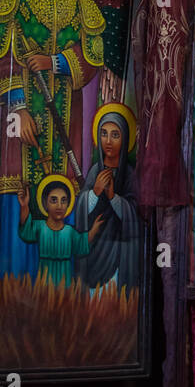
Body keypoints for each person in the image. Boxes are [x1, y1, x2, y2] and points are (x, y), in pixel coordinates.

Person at [0, 0, 105, 277]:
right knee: (20, 188)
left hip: (64, 115)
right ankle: (16, 282)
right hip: (22, 116)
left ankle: (57, 293)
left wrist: (55, 62)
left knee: (59, 192)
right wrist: (18, 108)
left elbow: (93, 58)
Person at [74, 105, 142, 291]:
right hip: (95, 251)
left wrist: (113, 197)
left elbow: (136, 213)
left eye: (115, 135)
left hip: (119, 252)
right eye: (104, 133)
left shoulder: (129, 175)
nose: (108, 141)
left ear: (125, 139)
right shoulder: (95, 172)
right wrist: (94, 193)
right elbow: (81, 209)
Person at [17, 176, 104, 287]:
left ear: (68, 204)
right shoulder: (40, 227)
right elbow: (26, 232)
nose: (59, 206)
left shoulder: (69, 232)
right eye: (54, 200)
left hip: (65, 285)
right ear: (45, 203)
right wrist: (24, 206)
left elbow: (82, 244)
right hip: (44, 284)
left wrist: (95, 229)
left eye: (63, 200)